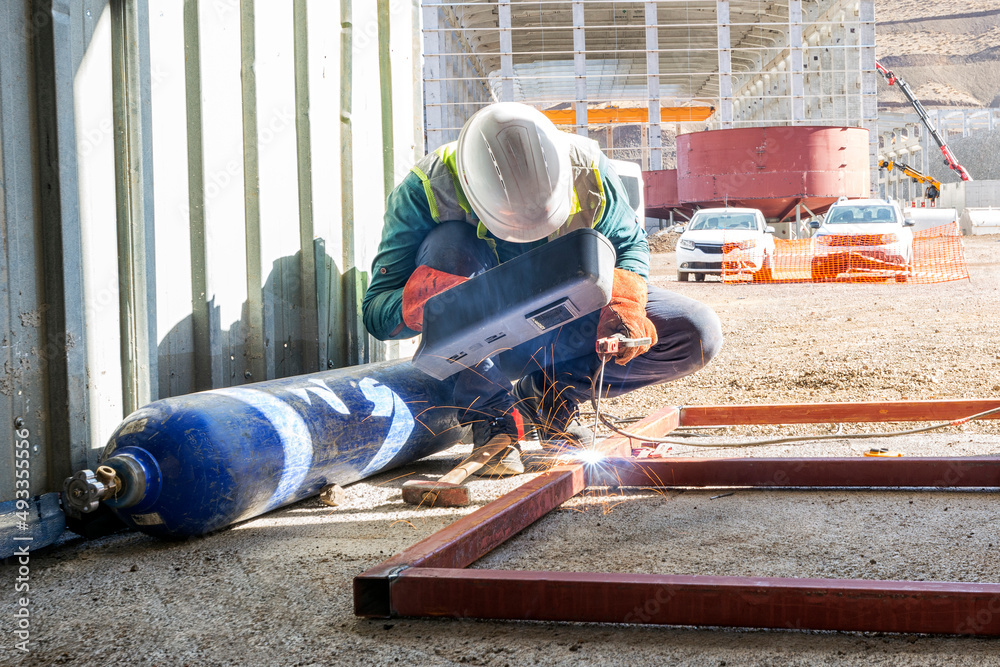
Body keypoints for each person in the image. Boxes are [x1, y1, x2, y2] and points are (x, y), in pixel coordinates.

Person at [362, 103, 722, 476]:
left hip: (565, 326)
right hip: (488, 345)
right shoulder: (425, 190)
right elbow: (376, 312)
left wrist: (625, 300)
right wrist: (420, 303)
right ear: (471, 192)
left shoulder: (590, 171)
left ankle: (550, 396)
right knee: (447, 244)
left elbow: (629, 245)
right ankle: (493, 417)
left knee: (696, 333)